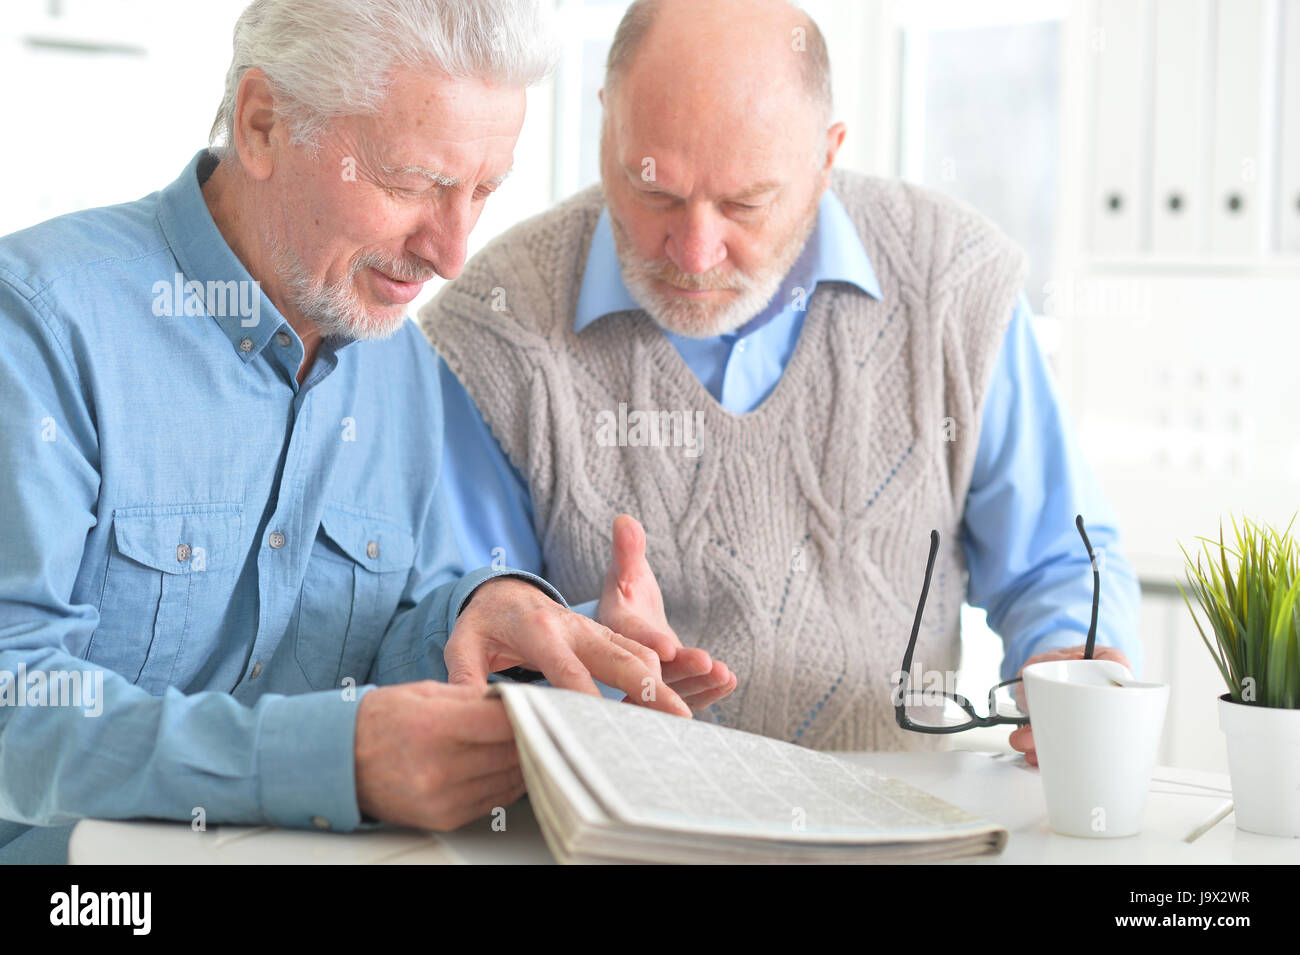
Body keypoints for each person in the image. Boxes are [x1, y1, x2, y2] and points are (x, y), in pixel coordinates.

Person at [0, 0, 699, 865]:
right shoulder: (39, 324)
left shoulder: (401, 364)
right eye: (410, 184)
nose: (450, 252)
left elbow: (379, 647)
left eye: (482, 192)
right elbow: (13, 706)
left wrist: (511, 630)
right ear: (262, 124)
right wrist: (332, 758)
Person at [420, 0, 1141, 757]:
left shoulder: (956, 288)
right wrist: (569, 655)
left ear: (827, 155)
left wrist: (1071, 656)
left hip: (897, 824)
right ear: (607, 124)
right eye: (657, 192)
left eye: (745, 203)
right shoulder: (491, 329)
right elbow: (455, 628)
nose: (695, 253)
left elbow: (1058, 561)